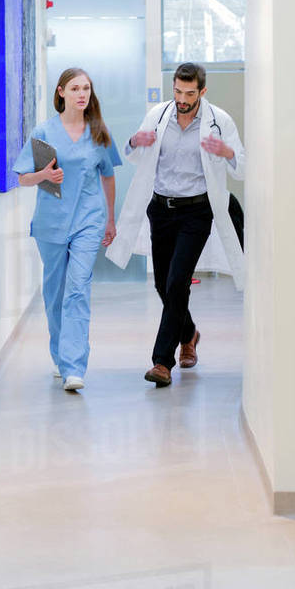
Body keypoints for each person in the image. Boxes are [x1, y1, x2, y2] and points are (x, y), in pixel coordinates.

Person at [105, 62, 246, 387]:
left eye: (190, 93)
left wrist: (226, 152)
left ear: (202, 91)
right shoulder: (158, 115)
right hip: (161, 209)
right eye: (178, 92)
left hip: (196, 212)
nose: (183, 99)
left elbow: (242, 166)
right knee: (162, 284)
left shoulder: (219, 121)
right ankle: (189, 333)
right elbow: (135, 154)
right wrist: (134, 141)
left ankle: (162, 362)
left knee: (178, 281)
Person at [13, 67, 122, 392]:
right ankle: (62, 357)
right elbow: (22, 177)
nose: (82, 94)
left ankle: (74, 367)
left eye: (86, 88)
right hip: (51, 224)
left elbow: (108, 175)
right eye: (75, 88)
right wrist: (43, 175)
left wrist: (110, 219)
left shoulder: (99, 132)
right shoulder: (45, 132)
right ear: (61, 92)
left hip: (88, 222)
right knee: (55, 294)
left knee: (77, 290)